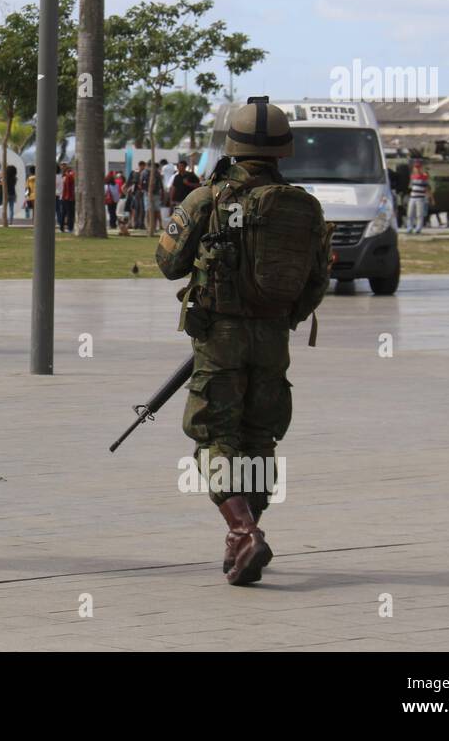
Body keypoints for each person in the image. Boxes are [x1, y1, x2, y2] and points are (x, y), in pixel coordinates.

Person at [155, 97, 331, 586]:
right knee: (259, 440)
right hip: (274, 338)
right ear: (283, 151)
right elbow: (318, 281)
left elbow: (168, 262)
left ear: (232, 145)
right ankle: (242, 542)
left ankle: (244, 530)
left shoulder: (208, 199)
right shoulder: (305, 206)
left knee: (214, 437)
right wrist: (280, 315)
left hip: (219, 339)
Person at [406, 158, 429, 234]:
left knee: (419, 214)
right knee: (410, 214)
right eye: (416, 167)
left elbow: (427, 187)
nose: (417, 169)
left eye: (418, 167)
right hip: (412, 198)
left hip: (420, 198)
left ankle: (418, 228)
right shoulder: (413, 176)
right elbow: (411, 187)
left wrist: (428, 198)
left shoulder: (424, 176)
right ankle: (409, 227)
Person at [59, 163, 76, 232]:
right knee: (70, 213)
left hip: (64, 197)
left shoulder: (64, 176)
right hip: (69, 197)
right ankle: (70, 228)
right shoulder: (69, 176)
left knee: (64, 213)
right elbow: (69, 188)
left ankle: (62, 227)